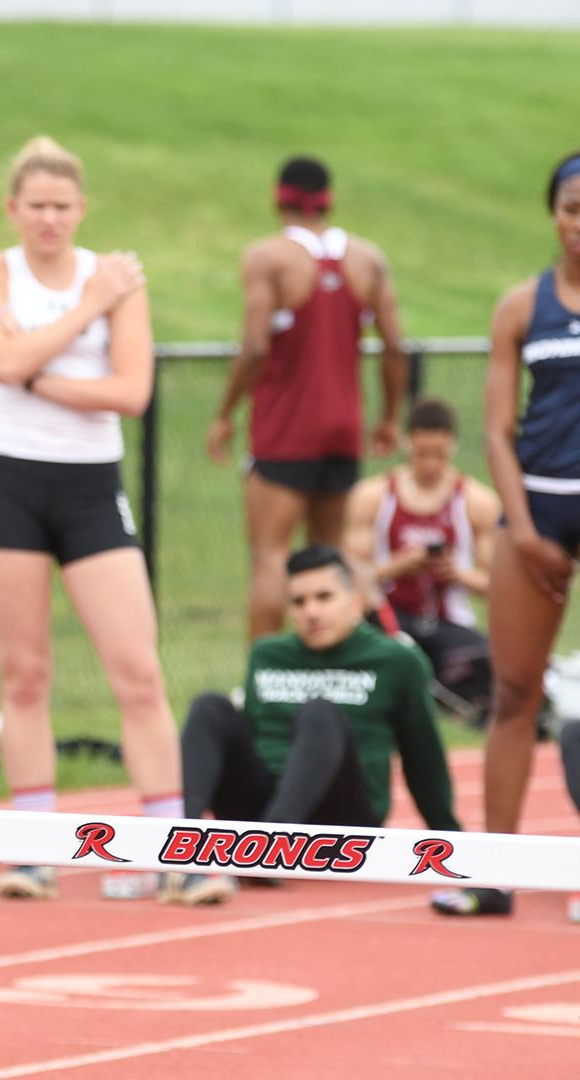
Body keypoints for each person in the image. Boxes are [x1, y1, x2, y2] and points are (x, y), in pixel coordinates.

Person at [0, 136, 183, 902]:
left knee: (139, 670)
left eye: (62, 207)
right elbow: (0, 364)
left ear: (81, 210)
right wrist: (85, 313)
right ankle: (33, 849)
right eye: (36, 207)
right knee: (24, 672)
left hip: (91, 487)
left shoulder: (119, 275)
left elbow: (131, 392)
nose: (49, 220)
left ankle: (169, 845)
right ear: (13, 210)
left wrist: (36, 372)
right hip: (13, 482)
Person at [435, 150, 580, 918]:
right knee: (517, 691)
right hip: (537, 510)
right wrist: (523, 531)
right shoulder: (522, 307)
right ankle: (493, 871)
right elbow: (496, 431)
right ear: (553, 213)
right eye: (572, 208)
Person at [180, 544, 460, 906]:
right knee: (209, 706)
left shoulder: (398, 661)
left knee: (320, 712)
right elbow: (241, 742)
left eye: (324, 597)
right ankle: (180, 847)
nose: (311, 611)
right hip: (260, 809)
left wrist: (451, 839)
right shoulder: (267, 655)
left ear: (355, 602)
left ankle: (269, 847)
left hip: (343, 822)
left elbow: (424, 757)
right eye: (298, 602)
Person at [207, 156, 410, 641]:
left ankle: (261, 681)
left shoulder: (269, 257)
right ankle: (329, 673)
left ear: (278, 198)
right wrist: (387, 417)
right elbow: (395, 347)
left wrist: (224, 414)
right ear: (329, 200)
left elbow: (255, 345)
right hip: (343, 426)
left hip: (286, 428)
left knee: (271, 555)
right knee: (329, 555)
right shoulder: (367, 259)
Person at [342, 398, 499, 722]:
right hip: (391, 618)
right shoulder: (373, 496)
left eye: (440, 455)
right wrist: (395, 567)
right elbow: (347, 578)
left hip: (448, 621)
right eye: (421, 454)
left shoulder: (477, 502)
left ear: (452, 447)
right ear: (406, 444)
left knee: (491, 661)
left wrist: (458, 573)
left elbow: (497, 587)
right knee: (370, 648)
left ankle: (447, 695)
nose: (430, 465)